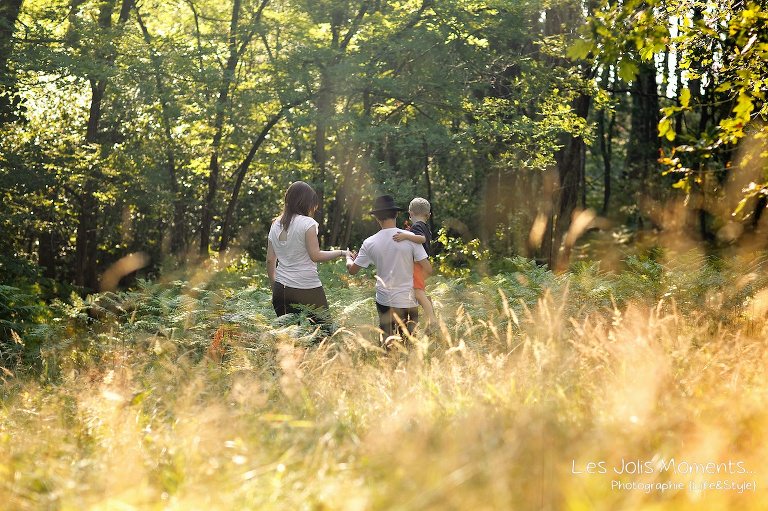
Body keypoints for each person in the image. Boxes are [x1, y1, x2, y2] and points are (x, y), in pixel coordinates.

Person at [346, 195, 432, 340]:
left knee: (387, 344)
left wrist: (348, 258)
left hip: (384, 301)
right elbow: (428, 269)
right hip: (409, 301)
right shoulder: (411, 237)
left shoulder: (369, 243)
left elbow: (352, 270)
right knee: (410, 344)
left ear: (376, 217)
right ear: (396, 214)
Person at [267, 181, 348, 333]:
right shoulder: (307, 223)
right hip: (307, 288)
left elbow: (270, 259)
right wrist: (342, 252)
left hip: (281, 288)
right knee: (325, 333)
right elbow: (315, 255)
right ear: (305, 202)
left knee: (287, 338)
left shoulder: (275, 224)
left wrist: (275, 285)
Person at [392, 197, 437, 328]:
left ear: (410, 213)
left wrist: (405, 236)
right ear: (428, 215)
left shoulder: (417, 226)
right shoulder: (425, 227)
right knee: (416, 292)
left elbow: (421, 239)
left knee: (418, 293)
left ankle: (432, 320)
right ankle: (428, 304)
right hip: (422, 264)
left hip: (418, 265)